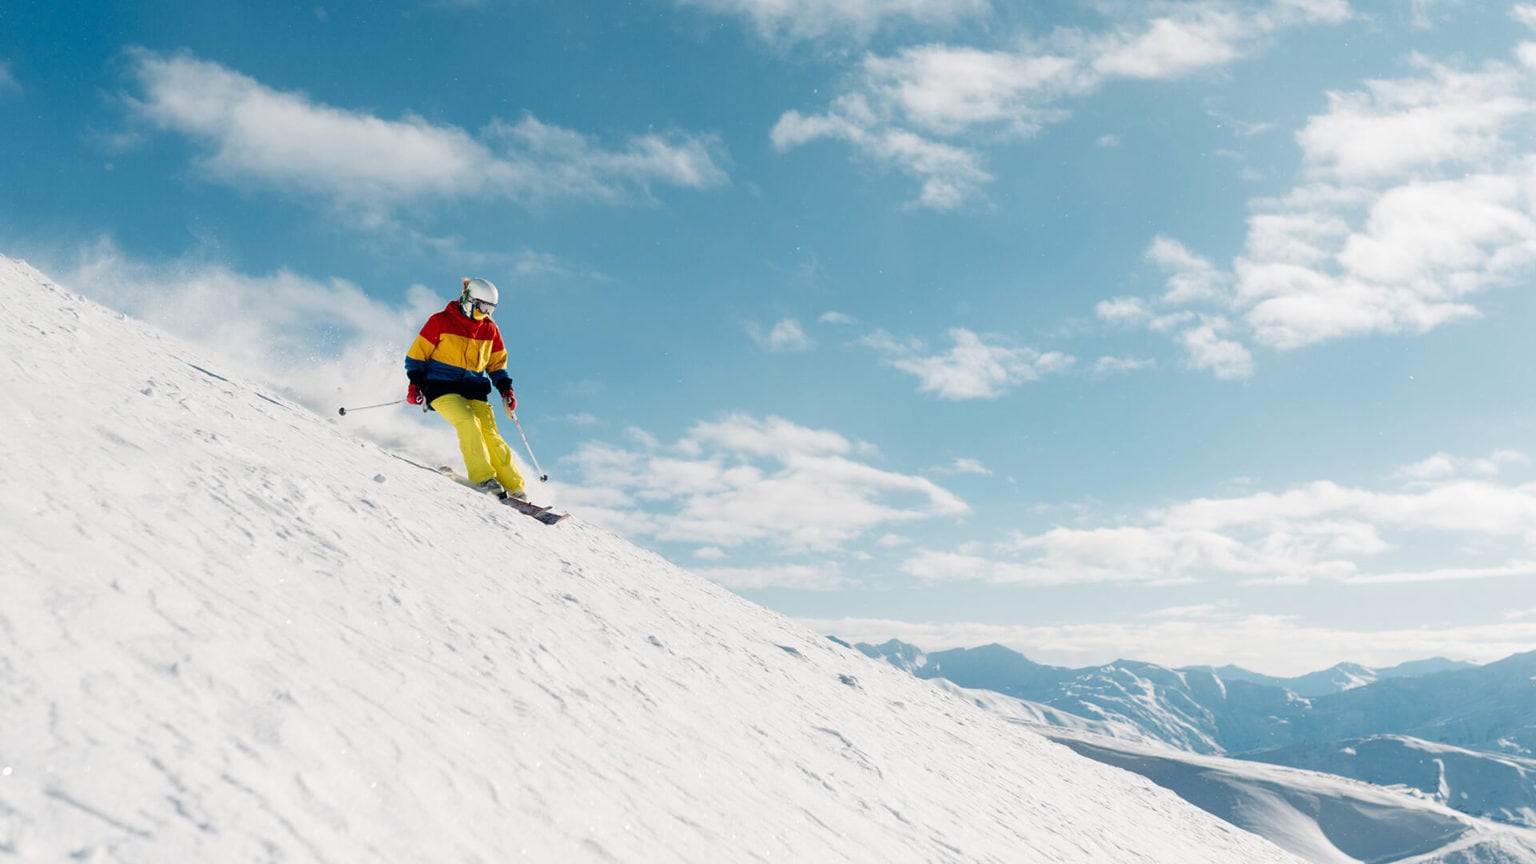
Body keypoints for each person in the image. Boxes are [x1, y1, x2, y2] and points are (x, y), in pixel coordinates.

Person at [405, 277, 527, 501]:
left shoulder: (489, 329)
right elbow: (415, 357)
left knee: (489, 432)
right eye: (483, 307)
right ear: (470, 300)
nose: (486, 313)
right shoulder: (440, 321)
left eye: (491, 309)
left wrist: (505, 389)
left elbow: (496, 364)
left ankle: (514, 486)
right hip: (440, 387)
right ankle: (483, 478)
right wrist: (415, 385)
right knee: (468, 422)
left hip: (474, 389)